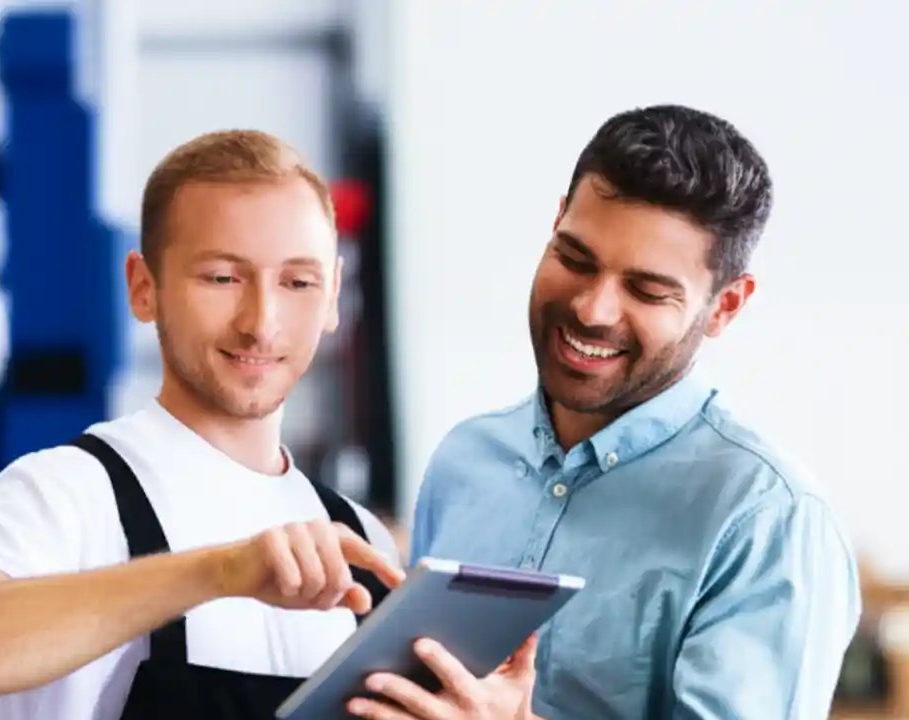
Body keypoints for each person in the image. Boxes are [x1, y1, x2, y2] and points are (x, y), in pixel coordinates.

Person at [363, 105, 862, 719]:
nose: (594, 309)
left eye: (648, 291)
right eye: (574, 259)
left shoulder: (768, 519)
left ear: (725, 306)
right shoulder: (465, 461)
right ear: (553, 225)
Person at [0, 129, 408, 720]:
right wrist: (219, 571)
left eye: (298, 282)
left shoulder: (358, 539)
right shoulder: (69, 491)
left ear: (332, 300)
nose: (261, 323)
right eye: (222, 278)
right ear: (145, 289)